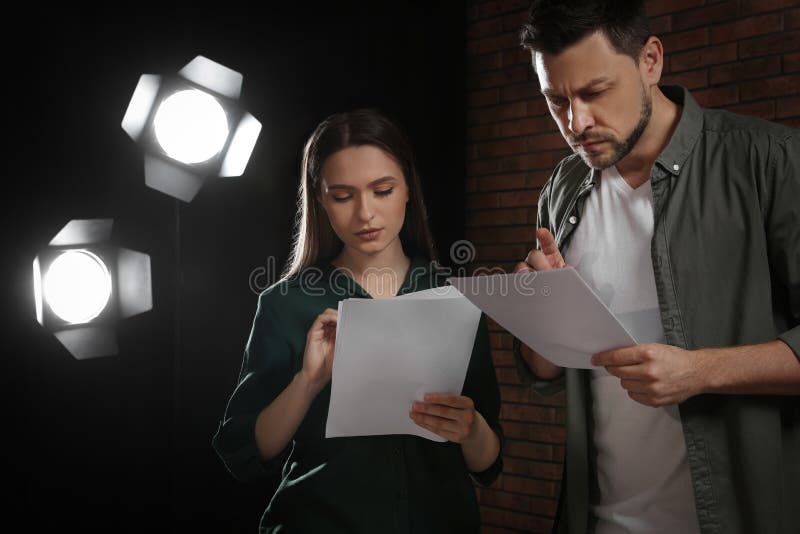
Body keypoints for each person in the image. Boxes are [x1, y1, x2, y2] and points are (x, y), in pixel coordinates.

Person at [511, 1, 800, 533]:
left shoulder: (770, 161)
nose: (577, 123)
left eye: (595, 92)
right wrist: (544, 311)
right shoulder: (562, 189)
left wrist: (699, 372)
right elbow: (546, 371)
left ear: (650, 60)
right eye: (557, 101)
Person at [212, 109, 503, 533]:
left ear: (407, 189)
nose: (365, 213)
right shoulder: (286, 303)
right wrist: (308, 382)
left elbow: (488, 460)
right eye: (344, 196)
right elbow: (246, 450)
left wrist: (470, 426)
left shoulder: (455, 298)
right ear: (320, 200)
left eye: (382, 190)